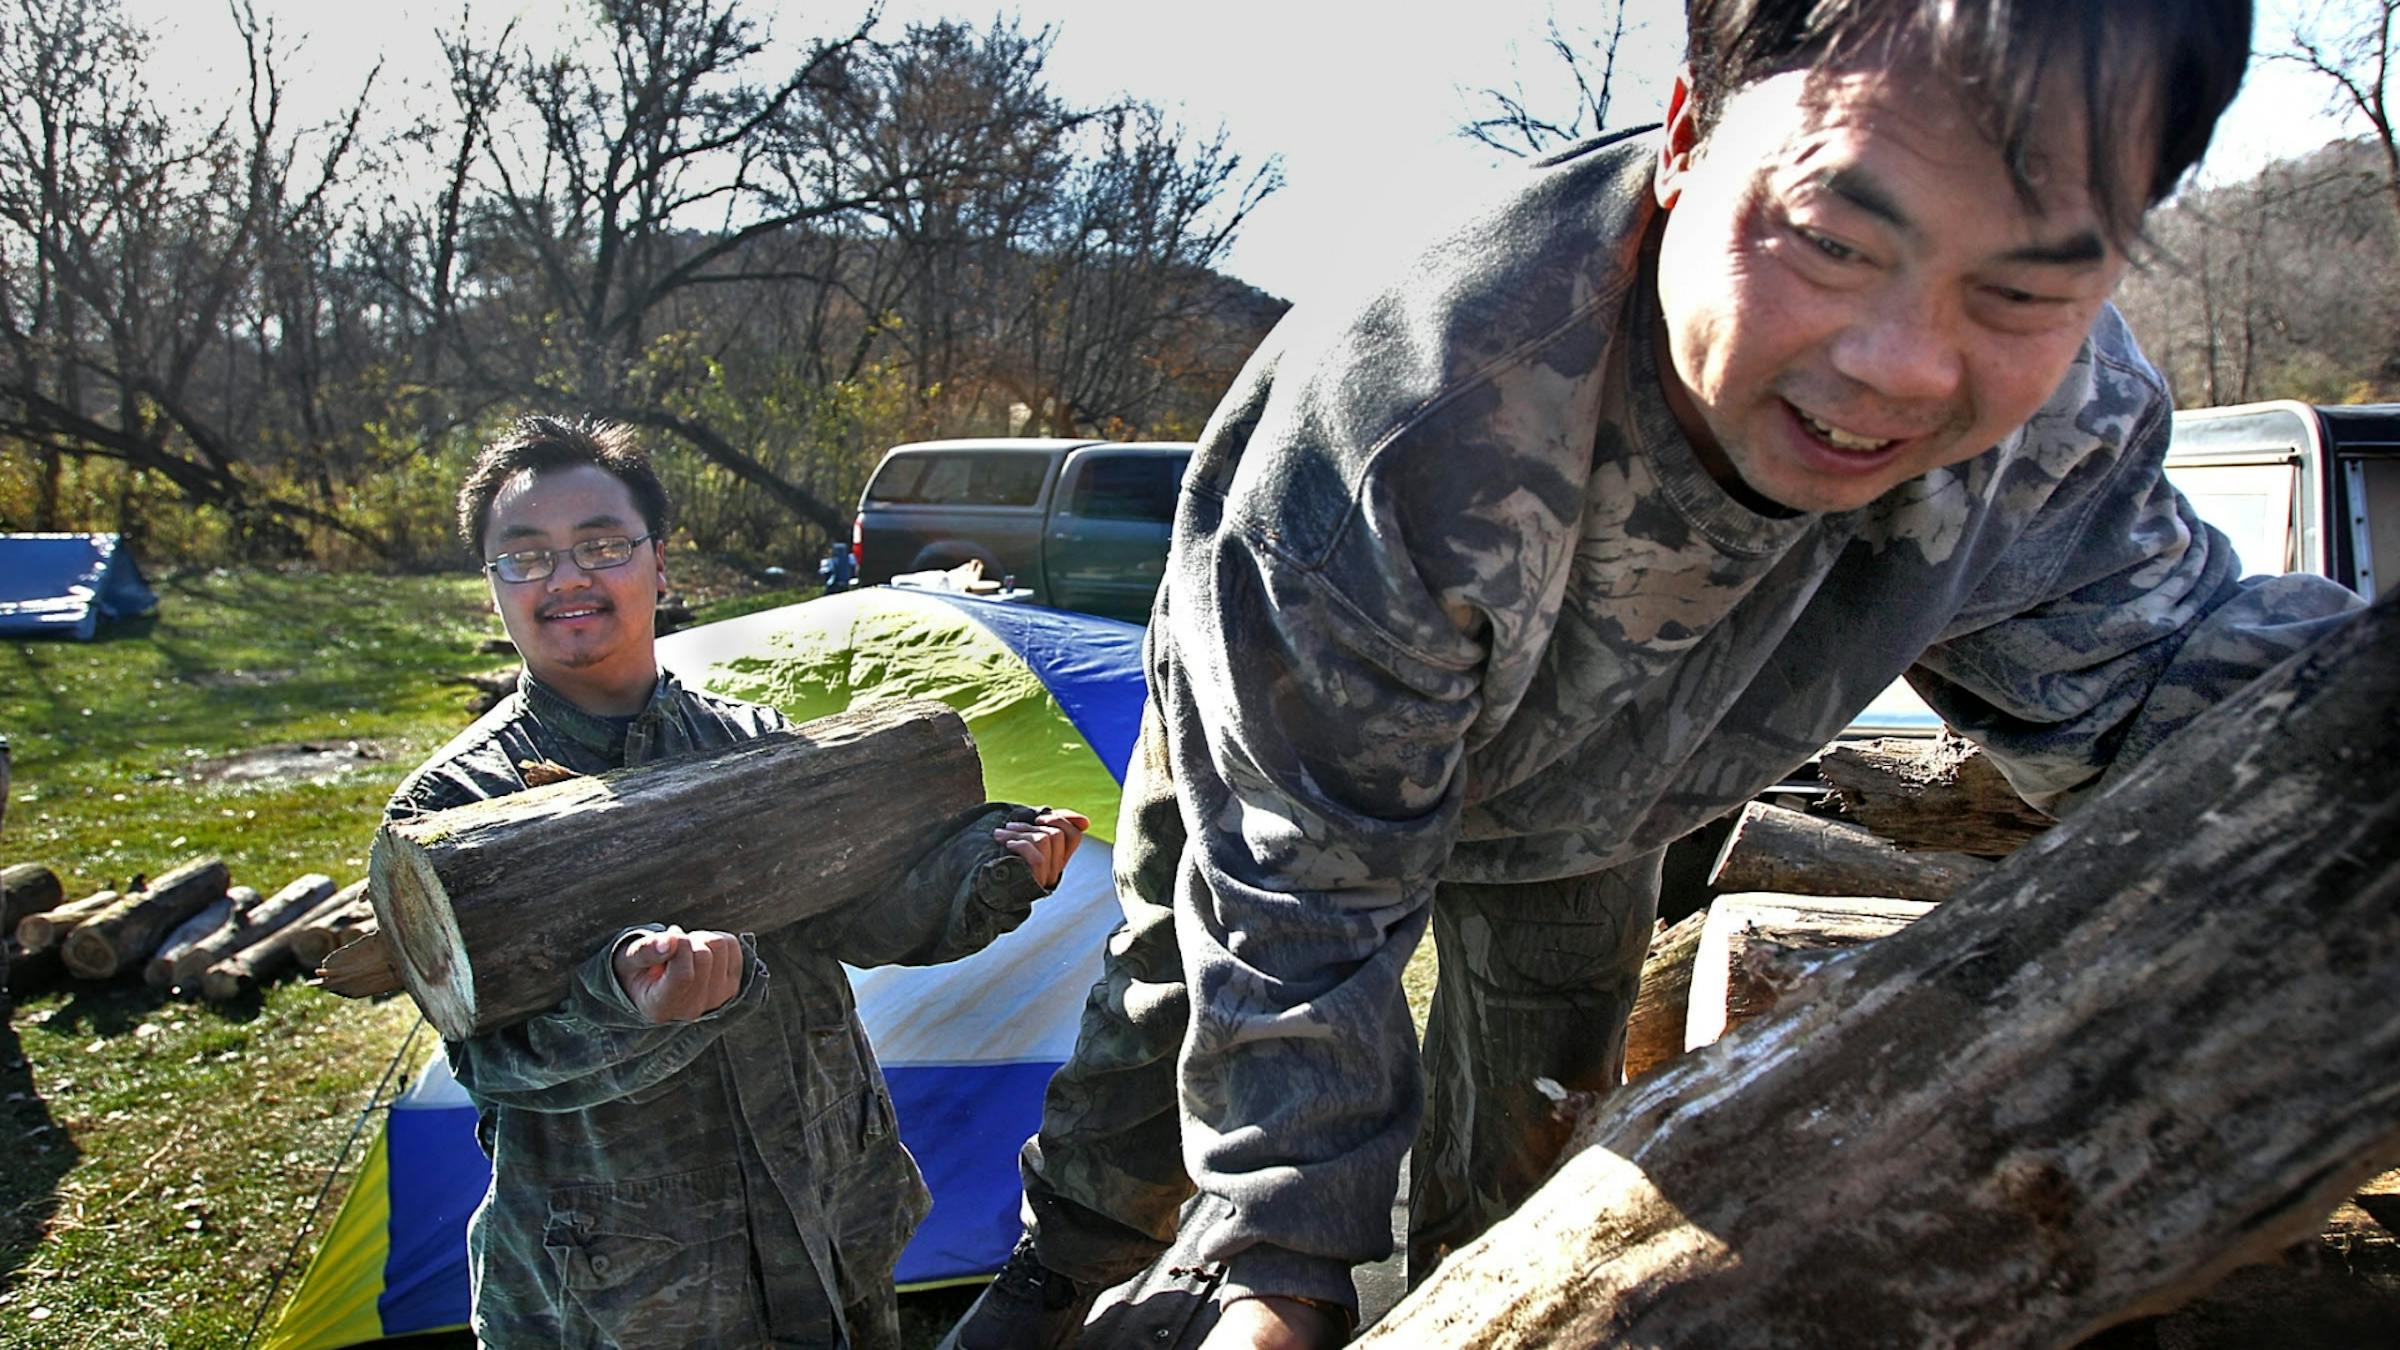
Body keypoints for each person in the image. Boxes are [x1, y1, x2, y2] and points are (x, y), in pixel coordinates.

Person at [942, 2, 2366, 1348]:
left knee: (1539, 1114)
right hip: (1294, 739)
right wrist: (1278, 1271)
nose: (1904, 370)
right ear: (1686, 131)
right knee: (1167, 1028)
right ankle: (1053, 1275)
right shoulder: (1408, 429)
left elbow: (2192, 697)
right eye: (1828, 242)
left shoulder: (2060, 424)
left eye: (2025, 287)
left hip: (1606, 794)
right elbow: (1295, 904)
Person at [387, 415, 1088, 1349]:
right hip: (632, 1286)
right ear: (494, 588)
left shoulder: (753, 741)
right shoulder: (452, 806)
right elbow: (492, 1063)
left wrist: (982, 877)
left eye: (601, 545)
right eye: (526, 557)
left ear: (658, 564)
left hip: (829, 1214)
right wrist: (626, 1007)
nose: (567, 579)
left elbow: (861, 922)